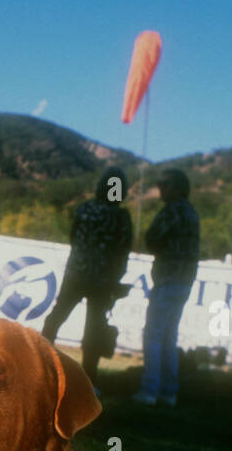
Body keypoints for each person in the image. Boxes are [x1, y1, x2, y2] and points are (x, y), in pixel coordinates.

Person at [41, 166, 132, 389]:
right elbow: (122, 252)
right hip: (102, 280)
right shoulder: (121, 216)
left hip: (76, 274)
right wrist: (116, 281)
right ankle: (90, 380)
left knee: (56, 318)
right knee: (94, 328)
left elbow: (74, 238)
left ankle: (40, 365)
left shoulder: (85, 209)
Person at [133, 168, 200, 406]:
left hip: (168, 280)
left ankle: (149, 390)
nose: (160, 187)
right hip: (184, 282)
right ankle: (169, 391)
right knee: (169, 337)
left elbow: (152, 239)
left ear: (177, 188)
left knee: (153, 335)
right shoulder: (191, 213)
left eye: (165, 184)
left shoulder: (170, 212)